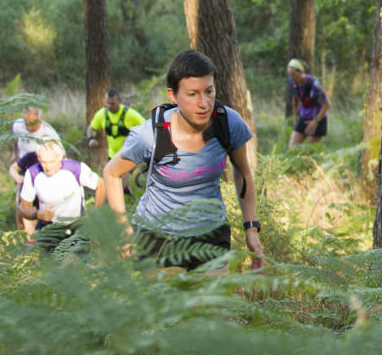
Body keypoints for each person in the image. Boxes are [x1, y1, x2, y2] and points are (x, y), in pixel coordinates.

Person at [104, 50, 264, 270]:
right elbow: (112, 173)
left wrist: (251, 228)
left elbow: (243, 172)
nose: (204, 103)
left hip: (211, 235)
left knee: (215, 304)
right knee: (166, 304)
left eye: (209, 91)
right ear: (173, 95)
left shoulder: (228, 123)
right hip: (157, 238)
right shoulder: (151, 134)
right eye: (192, 94)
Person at [18, 139, 105, 254]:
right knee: (50, 266)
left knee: (80, 265)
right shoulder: (33, 173)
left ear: (61, 157)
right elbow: (23, 208)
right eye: (43, 162)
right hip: (49, 226)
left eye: (52, 161)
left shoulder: (76, 169)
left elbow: (100, 184)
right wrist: (38, 214)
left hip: (76, 224)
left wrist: (95, 214)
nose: (48, 167)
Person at [9, 105, 61, 234]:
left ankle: (40, 233)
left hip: (42, 170)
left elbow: (61, 155)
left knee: (41, 204)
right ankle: (23, 234)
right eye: (27, 122)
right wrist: (15, 155)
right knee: (21, 204)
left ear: (39, 119)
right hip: (24, 167)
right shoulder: (18, 126)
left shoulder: (49, 133)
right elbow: (15, 140)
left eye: (33, 122)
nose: (29, 126)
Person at [85, 88, 145, 159]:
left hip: (129, 156)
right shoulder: (102, 114)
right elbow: (91, 128)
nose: (109, 106)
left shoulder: (130, 114)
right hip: (112, 156)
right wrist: (91, 139)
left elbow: (147, 128)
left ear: (119, 101)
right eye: (107, 103)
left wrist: (133, 139)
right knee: (107, 170)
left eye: (112, 103)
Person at [286, 58, 330, 149]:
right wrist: (296, 117)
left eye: (293, 75)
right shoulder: (293, 83)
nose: (291, 77)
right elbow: (296, 99)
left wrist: (315, 122)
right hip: (303, 117)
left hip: (318, 119)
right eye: (289, 75)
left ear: (301, 72)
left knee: (307, 153)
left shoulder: (314, 84)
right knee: (292, 149)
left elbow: (327, 104)